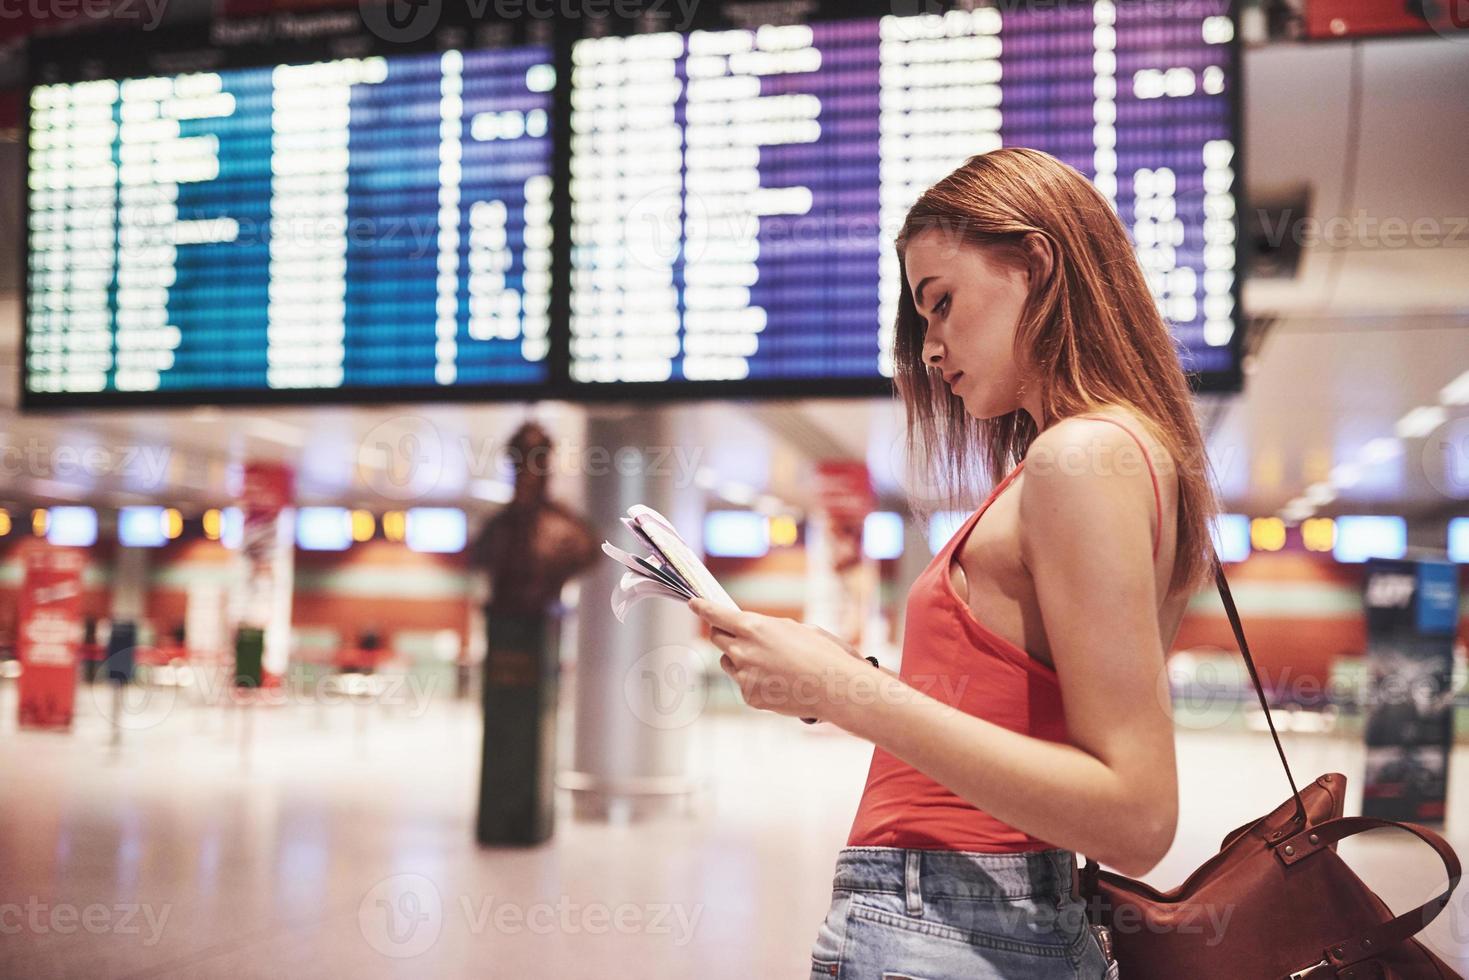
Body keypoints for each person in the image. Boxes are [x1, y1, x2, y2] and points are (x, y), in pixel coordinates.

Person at [686, 147, 1222, 979]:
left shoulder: (1079, 457)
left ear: (1035, 262)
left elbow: (1134, 817)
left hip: (949, 923)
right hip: (967, 921)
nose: (930, 350)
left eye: (941, 305)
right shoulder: (1105, 452)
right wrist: (837, 672)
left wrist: (847, 693)